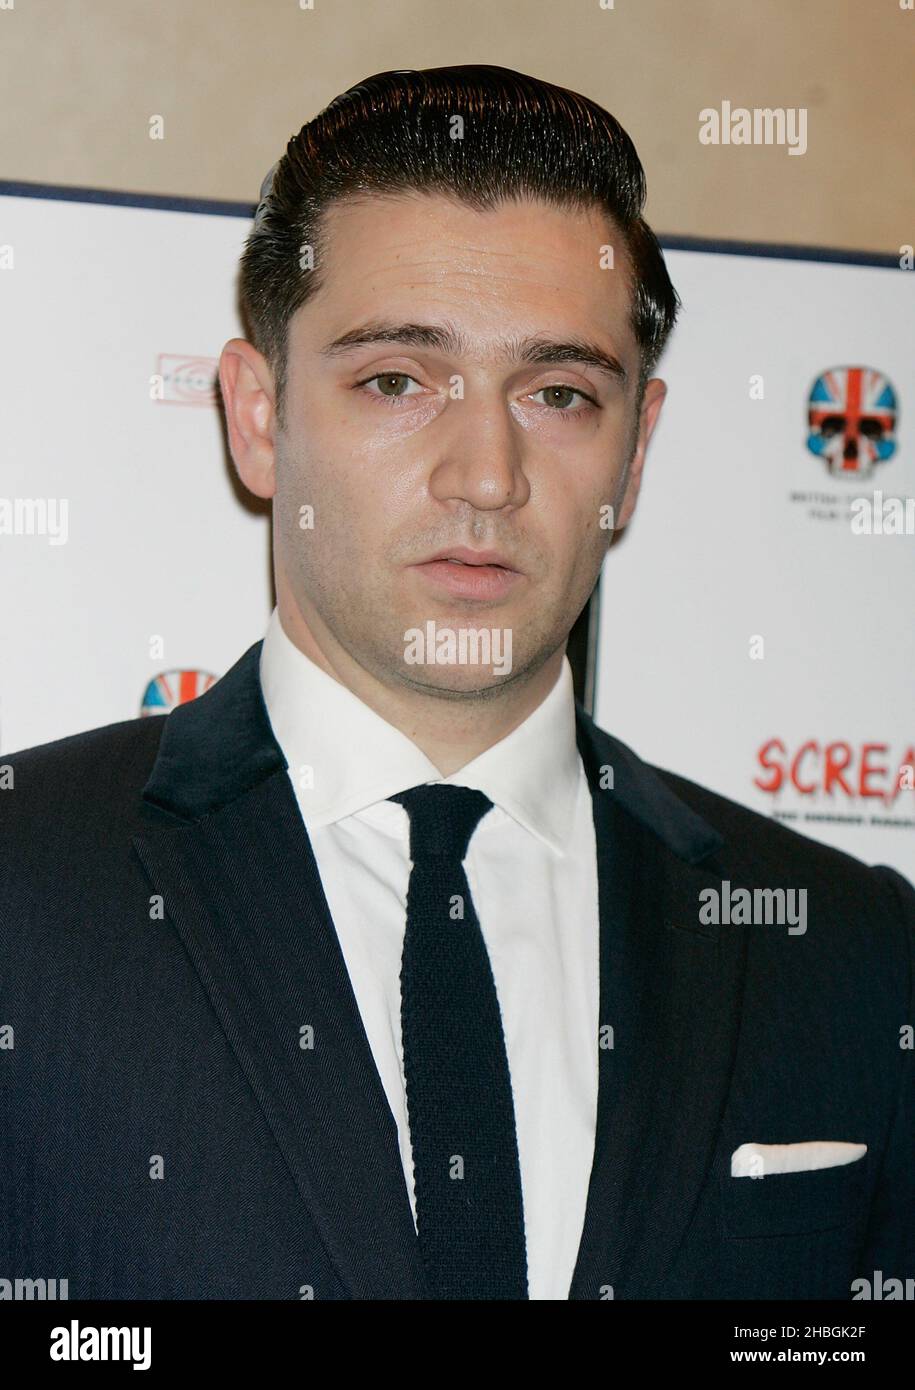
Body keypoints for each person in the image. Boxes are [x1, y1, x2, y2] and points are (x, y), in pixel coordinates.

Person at [2, 65, 912, 1302]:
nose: (485, 473)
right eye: (396, 380)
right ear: (259, 418)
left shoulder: (848, 954)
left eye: (557, 394)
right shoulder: (25, 892)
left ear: (634, 453)